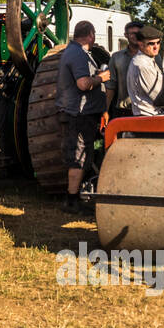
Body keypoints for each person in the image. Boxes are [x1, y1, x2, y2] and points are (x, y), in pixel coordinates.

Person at [56, 20, 109, 213]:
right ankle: (71, 201)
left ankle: (76, 196)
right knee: (78, 157)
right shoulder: (78, 54)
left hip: (81, 113)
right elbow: (83, 84)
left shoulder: (74, 52)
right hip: (78, 115)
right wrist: (102, 77)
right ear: (91, 35)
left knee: (82, 155)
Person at [104, 21, 143, 118]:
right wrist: (105, 110)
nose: (135, 36)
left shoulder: (153, 57)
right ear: (126, 35)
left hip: (145, 110)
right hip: (123, 110)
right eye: (132, 33)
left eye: (138, 33)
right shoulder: (117, 57)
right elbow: (110, 86)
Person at [126, 25, 164, 116]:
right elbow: (160, 96)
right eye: (151, 43)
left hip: (150, 117)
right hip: (148, 118)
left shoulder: (148, 60)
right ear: (141, 44)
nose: (156, 47)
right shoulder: (142, 64)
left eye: (158, 42)